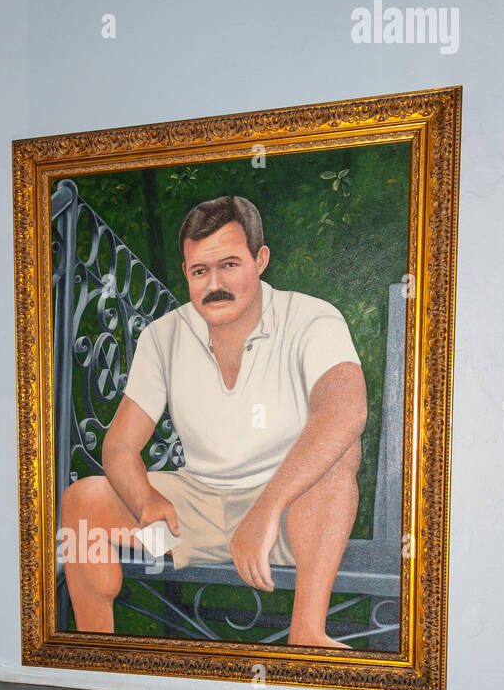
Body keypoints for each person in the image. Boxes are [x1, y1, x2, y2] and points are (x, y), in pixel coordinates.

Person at [60, 195, 368, 648]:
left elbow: (345, 411)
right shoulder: (163, 336)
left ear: (260, 260)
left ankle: (307, 634)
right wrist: (145, 500)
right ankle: (98, 656)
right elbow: (120, 446)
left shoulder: (312, 318)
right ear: (186, 273)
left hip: (288, 518)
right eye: (200, 271)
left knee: (338, 461)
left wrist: (266, 509)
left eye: (229, 264)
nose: (214, 284)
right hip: (192, 517)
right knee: (83, 501)